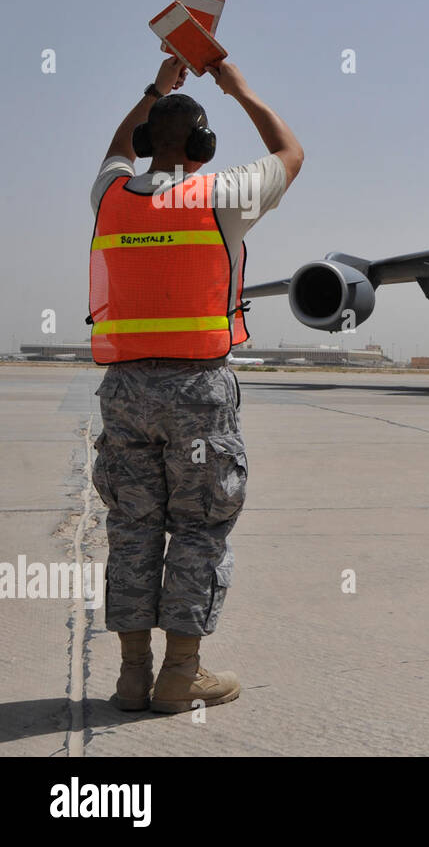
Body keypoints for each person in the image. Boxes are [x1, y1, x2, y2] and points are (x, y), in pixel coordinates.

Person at [89, 55, 303, 713]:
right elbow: (290, 152)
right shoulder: (220, 195)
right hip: (198, 393)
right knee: (200, 525)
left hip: (124, 389)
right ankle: (181, 674)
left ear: (149, 144)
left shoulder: (111, 197)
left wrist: (156, 89)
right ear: (206, 148)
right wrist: (236, 86)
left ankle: (131, 675)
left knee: (131, 525)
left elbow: (116, 150)